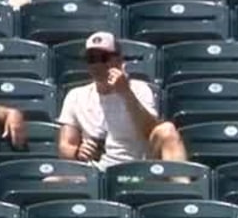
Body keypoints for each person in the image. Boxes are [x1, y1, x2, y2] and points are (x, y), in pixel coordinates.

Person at [56, 32, 188, 169]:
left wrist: (125, 92)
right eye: (91, 59)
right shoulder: (76, 95)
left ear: (119, 60)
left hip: (132, 175)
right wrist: (78, 152)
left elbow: (150, 130)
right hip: (93, 173)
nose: (97, 64)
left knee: (168, 130)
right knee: (51, 182)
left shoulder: (139, 89)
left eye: (104, 57)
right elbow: (65, 146)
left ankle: (182, 190)